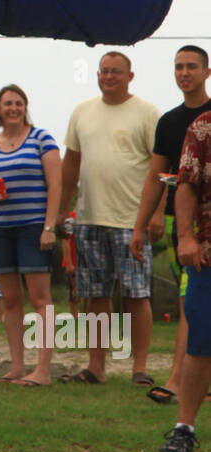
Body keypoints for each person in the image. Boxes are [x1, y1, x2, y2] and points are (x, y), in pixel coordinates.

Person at [58, 52, 160, 386]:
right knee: (95, 295)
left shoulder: (147, 113)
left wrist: (155, 215)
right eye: (103, 71)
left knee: (136, 295)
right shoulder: (82, 112)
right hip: (89, 219)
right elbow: (70, 165)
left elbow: (161, 170)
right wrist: (61, 210)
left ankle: (140, 368)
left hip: (132, 221)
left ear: (131, 76)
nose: (108, 76)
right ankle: (96, 366)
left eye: (116, 72)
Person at [130, 46, 211, 405]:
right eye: (178, 66)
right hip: (189, 234)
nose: (184, 72)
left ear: (207, 73)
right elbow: (156, 178)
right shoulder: (169, 122)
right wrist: (139, 225)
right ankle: (178, 380)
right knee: (190, 305)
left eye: (191, 66)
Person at [0, 86, 60, 385]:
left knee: (40, 299)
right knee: (10, 300)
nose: (13, 108)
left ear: (25, 107)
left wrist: (49, 227)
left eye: (18, 103)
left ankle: (44, 370)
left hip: (33, 228)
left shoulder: (42, 139)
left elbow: (56, 186)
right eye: (7, 103)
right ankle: (17, 367)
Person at [159, 113, 211, 452]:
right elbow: (187, 182)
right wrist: (185, 237)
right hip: (208, 253)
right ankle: (184, 429)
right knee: (201, 339)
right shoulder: (204, 126)